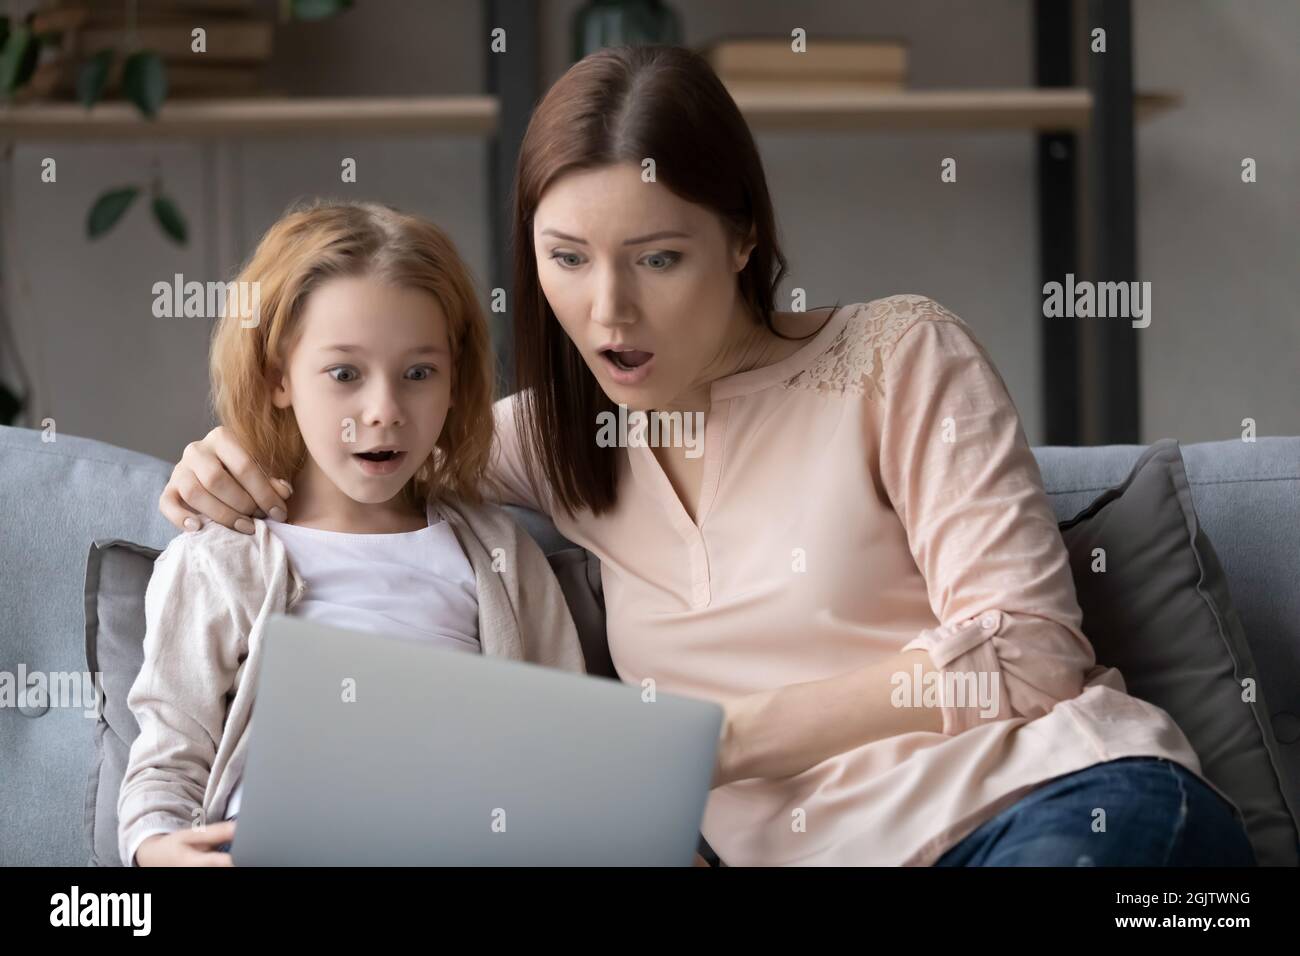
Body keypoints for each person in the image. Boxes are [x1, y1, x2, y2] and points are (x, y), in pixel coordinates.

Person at [156, 46, 1256, 866]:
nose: (608, 308)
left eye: (659, 256)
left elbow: (1025, 652)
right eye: (566, 258)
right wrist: (229, 457)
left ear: (740, 238)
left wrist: (707, 743)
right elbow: (370, 440)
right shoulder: (547, 436)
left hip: (1057, 806)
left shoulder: (895, 353)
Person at [120, 200, 585, 867]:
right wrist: (155, 849)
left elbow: (564, 749)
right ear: (279, 378)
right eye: (344, 375)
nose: (385, 412)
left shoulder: (497, 553)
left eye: (419, 374)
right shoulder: (218, 559)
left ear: (455, 381)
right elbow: (166, 760)